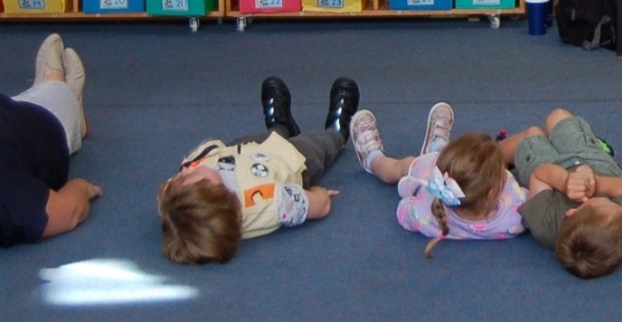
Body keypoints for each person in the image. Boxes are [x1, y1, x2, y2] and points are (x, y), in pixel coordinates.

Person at [156, 76, 358, 265]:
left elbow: (176, 207)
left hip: (241, 152)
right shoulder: (273, 202)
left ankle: (280, 126)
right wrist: (316, 193)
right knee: (319, 146)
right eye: (192, 175)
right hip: (289, 158)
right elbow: (320, 206)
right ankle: (337, 131)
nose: (184, 172)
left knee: (268, 135)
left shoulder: (178, 204)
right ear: (220, 190)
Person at [349, 102, 525, 256]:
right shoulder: (515, 219)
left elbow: (403, 208)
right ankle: (438, 145)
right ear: (492, 192)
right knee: (450, 160)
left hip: (429, 171)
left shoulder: (426, 215)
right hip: (451, 174)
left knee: (400, 166)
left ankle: (373, 159)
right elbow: (527, 197)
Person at [500, 107, 622, 278]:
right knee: (557, 115)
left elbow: (540, 174)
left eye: (606, 201)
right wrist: (597, 183)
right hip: (593, 163)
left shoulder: (545, 226)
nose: (613, 201)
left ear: (572, 212)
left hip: (549, 170)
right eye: (613, 201)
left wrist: (565, 181)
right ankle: (592, 144)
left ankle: (495, 154)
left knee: (532, 133)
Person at [1, 33, 101, 247]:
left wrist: (80, 188)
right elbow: (65, 212)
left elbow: (61, 212)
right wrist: (81, 188)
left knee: (46, 101)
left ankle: (57, 88)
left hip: (27, 121)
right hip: (29, 123)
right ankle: (60, 91)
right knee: (52, 100)